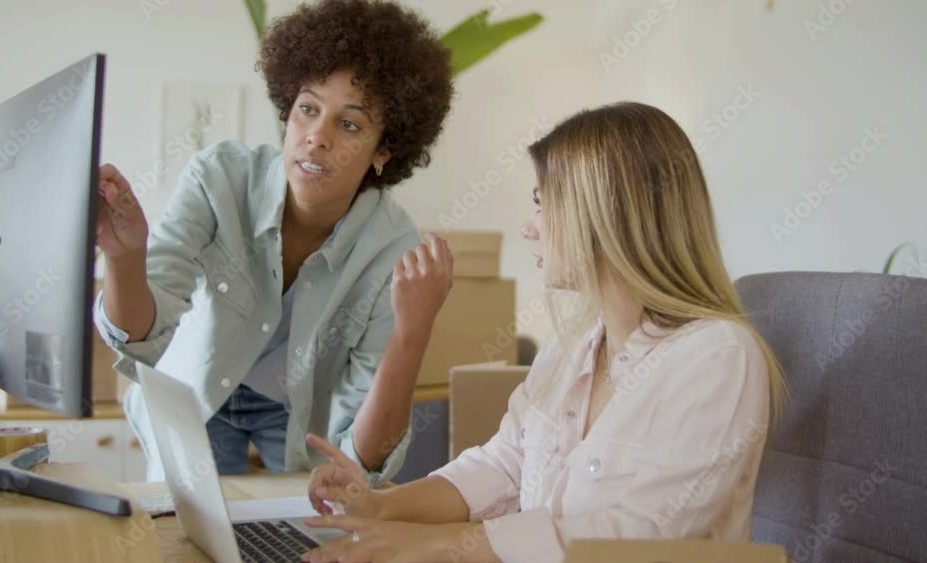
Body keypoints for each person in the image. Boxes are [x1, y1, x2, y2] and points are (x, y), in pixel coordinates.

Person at [298, 102, 788, 563]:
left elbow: (641, 534)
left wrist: (435, 545)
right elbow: (502, 465)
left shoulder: (717, 357)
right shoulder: (574, 347)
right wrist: (383, 508)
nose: (529, 227)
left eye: (542, 202)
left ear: (607, 214)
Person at [93, 0, 455, 483]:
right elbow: (142, 334)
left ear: (384, 151)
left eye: (349, 124)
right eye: (307, 110)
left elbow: (363, 462)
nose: (316, 138)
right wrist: (124, 257)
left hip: (296, 415)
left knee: (295, 534)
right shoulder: (218, 179)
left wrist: (413, 335)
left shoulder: (394, 252)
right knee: (189, 536)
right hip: (195, 391)